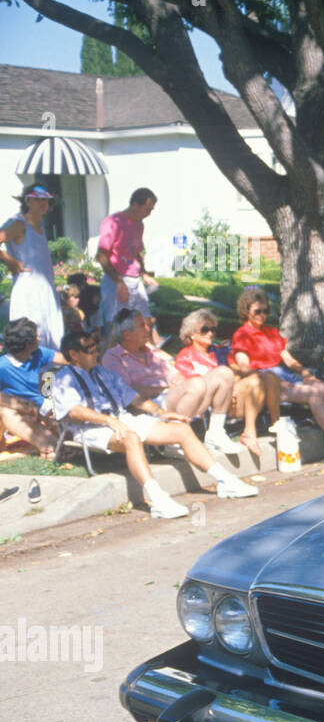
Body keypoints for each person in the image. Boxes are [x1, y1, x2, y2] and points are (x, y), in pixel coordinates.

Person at [50, 329, 259, 517]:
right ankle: (158, 499)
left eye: (96, 347)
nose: (96, 352)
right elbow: (73, 410)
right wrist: (109, 421)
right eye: (89, 349)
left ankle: (225, 481)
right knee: (131, 438)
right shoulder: (63, 378)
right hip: (91, 429)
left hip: (120, 419)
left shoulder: (104, 373)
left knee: (182, 430)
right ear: (74, 355)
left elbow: (133, 398)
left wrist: (163, 413)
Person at [230, 288, 324, 459]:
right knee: (314, 395)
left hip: (285, 375)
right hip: (268, 381)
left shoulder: (271, 332)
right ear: (245, 312)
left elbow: (288, 359)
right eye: (257, 311)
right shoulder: (242, 335)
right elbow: (243, 366)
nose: (262, 315)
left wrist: (304, 372)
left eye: (266, 311)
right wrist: (271, 378)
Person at [100, 309, 242, 453]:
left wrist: (179, 383)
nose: (148, 328)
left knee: (224, 373)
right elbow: (127, 390)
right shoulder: (113, 357)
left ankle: (215, 433)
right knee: (196, 384)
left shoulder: (150, 351)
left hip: (172, 396)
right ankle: (172, 444)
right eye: (142, 325)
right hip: (147, 404)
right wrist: (166, 388)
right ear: (127, 334)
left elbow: (174, 374)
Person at [175, 308, 289, 457]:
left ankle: (275, 425)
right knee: (255, 381)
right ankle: (249, 432)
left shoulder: (219, 351)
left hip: (235, 397)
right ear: (191, 334)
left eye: (213, 329)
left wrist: (234, 383)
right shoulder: (185, 357)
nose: (210, 333)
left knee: (269, 376)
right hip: (212, 405)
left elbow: (236, 370)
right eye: (205, 329)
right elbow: (195, 387)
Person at [1, 185, 64, 348]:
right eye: (37, 199)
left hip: (46, 288)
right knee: (31, 339)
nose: (42, 203)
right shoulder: (18, 224)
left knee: (51, 338)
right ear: (28, 201)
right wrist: (10, 261)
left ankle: (48, 374)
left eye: (45, 200)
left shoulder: (41, 225)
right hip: (28, 290)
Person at [97, 187, 160, 340]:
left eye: (151, 210)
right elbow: (101, 255)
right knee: (116, 325)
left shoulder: (139, 225)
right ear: (135, 205)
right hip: (115, 280)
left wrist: (144, 274)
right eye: (147, 209)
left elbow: (136, 252)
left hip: (134, 279)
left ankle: (150, 356)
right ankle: (113, 360)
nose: (148, 214)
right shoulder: (113, 222)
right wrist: (118, 282)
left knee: (146, 320)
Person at [0, 317, 63, 458]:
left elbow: (65, 358)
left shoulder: (37, 354)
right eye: (37, 335)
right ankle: (43, 446)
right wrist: (21, 405)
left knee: (56, 442)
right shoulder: (3, 366)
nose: (39, 337)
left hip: (30, 413)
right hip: (9, 417)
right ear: (28, 343)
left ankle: (50, 444)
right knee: (5, 410)